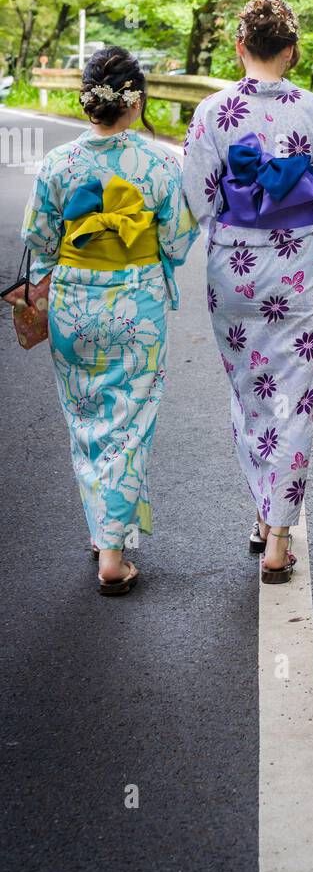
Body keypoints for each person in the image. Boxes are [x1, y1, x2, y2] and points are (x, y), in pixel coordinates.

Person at [182, 0, 313, 583]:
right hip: (296, 268)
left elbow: (199, 197)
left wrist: (235, 225)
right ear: (292, 51)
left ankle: (264, 512)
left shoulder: (212, 112)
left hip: (231, 267)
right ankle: (279, 535)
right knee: (294, 397)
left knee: (250, 393)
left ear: (240, 47)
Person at [21, 46, 199, 595]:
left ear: (87, 102)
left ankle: (104, 533)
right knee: (130, 422)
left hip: (73, 303)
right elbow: (177, 239)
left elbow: (40, 240)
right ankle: (113, 557)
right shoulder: (159, 164)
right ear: (135, 102)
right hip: (136, 307)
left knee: (86, 421)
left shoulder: (56, 165)